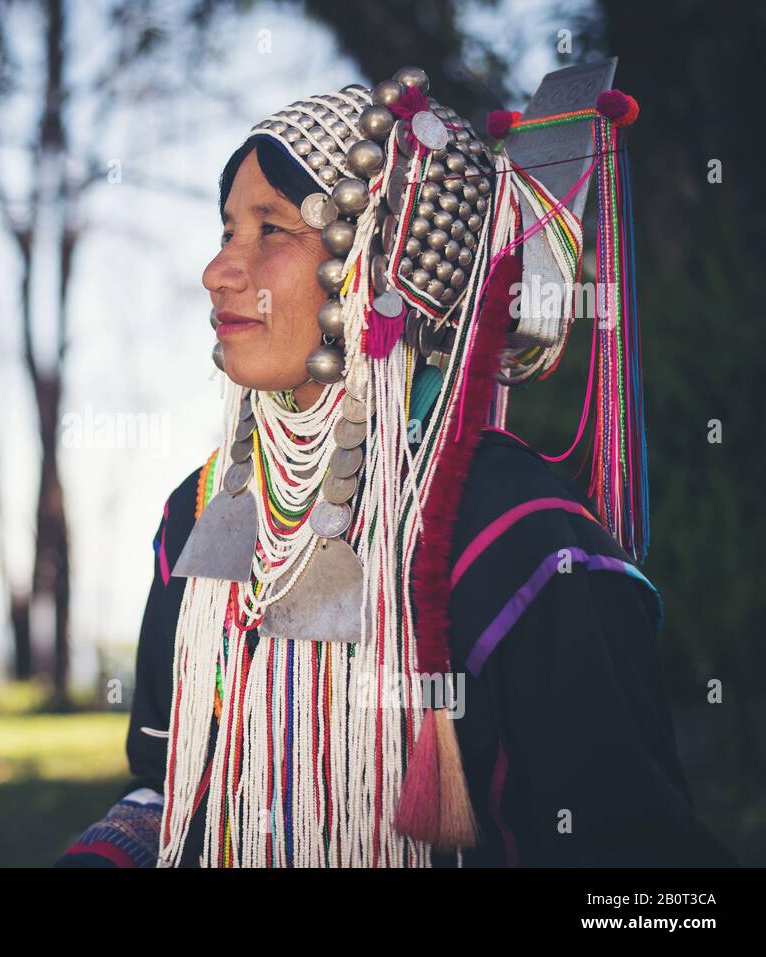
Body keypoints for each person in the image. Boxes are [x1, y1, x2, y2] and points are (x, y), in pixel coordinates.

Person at [56, 65, 736, 868]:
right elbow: (167, 791)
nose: (218, 272)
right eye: (226, 231)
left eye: (271, 229)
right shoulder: (201, 513)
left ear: (381, 261)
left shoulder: (521, 540)